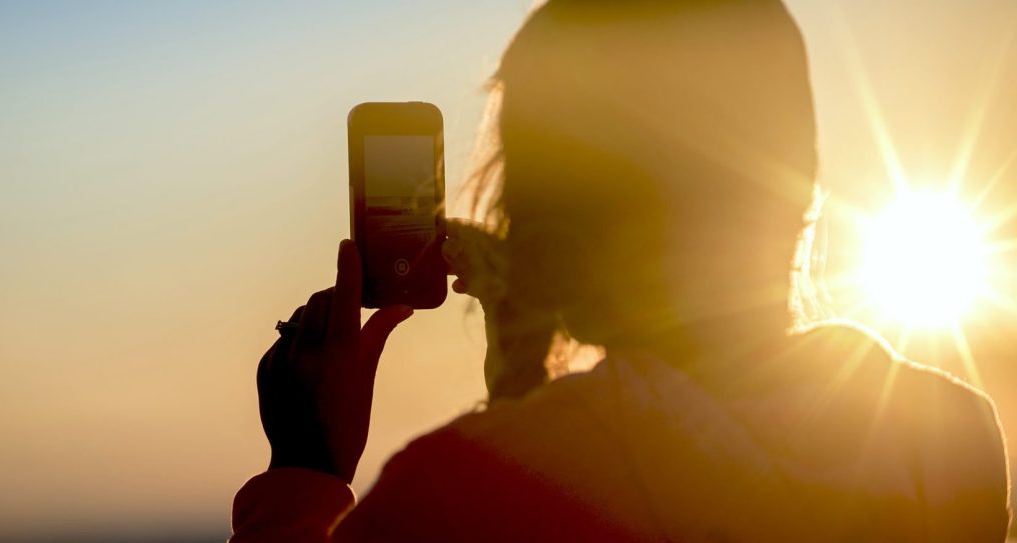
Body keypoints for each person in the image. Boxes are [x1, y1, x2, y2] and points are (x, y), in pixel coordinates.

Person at [232, 0, 1011, 540]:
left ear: (549, 214)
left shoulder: (450, 490)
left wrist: (304, 472)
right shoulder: (953, 438)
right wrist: (520, 363)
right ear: (799, 173)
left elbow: (552, 488)